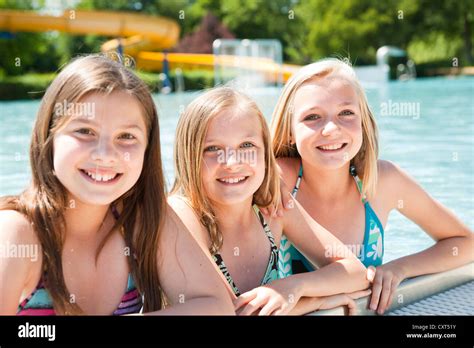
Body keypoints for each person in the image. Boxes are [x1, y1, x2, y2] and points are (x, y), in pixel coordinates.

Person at [0, 55, 234, 315]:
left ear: (147, 150)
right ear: (49, 135)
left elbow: (217, 306)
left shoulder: (141, 219)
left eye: (126, 136)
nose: (105, 154)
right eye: (85, 131)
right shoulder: (17, 233)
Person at [270, 58, 473, 314]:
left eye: (346, 113)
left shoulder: (382, 181)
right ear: (290, 131)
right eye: (312, 117)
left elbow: (465, 243)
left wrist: (399, 268)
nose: (331, 129)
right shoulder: (278, 180)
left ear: (363, 122)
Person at [169, 86, 371, 316]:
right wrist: (314, 302)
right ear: (187, 156)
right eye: (212, 149)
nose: (232, 162)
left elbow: (356, 272)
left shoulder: (271, 208)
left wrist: (293, 287)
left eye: (247, 146)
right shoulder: (180, 214)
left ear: (265, 154)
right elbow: (225, 312)